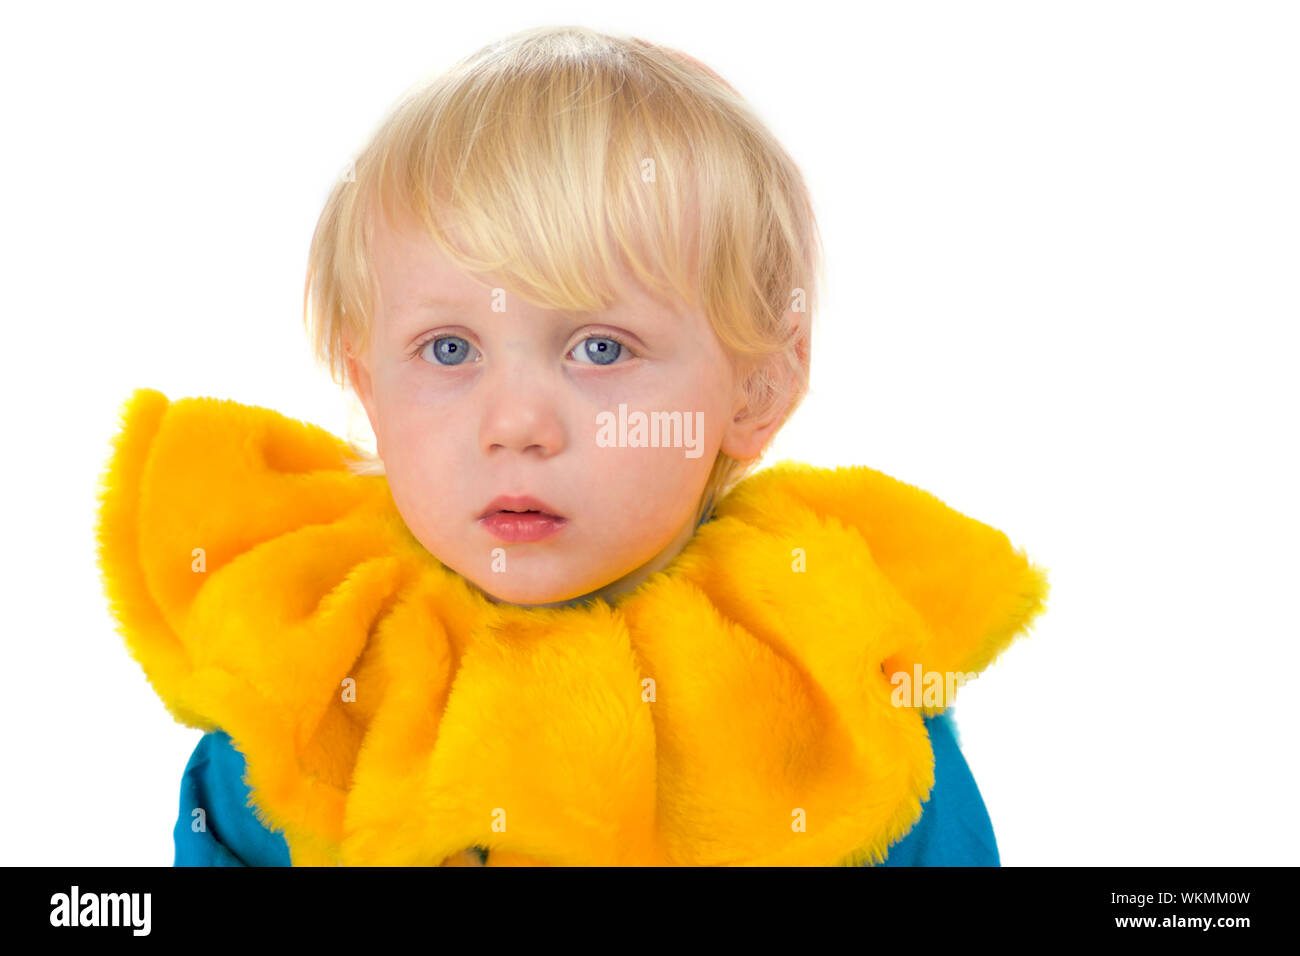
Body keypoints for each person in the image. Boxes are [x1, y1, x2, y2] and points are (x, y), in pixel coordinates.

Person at [96, 25, 1048, 867]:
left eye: (600, 348)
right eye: (449, 349)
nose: (515, 424)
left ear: (758, 389)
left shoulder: (831, 692)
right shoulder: (305, 678)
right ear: (368, 386)